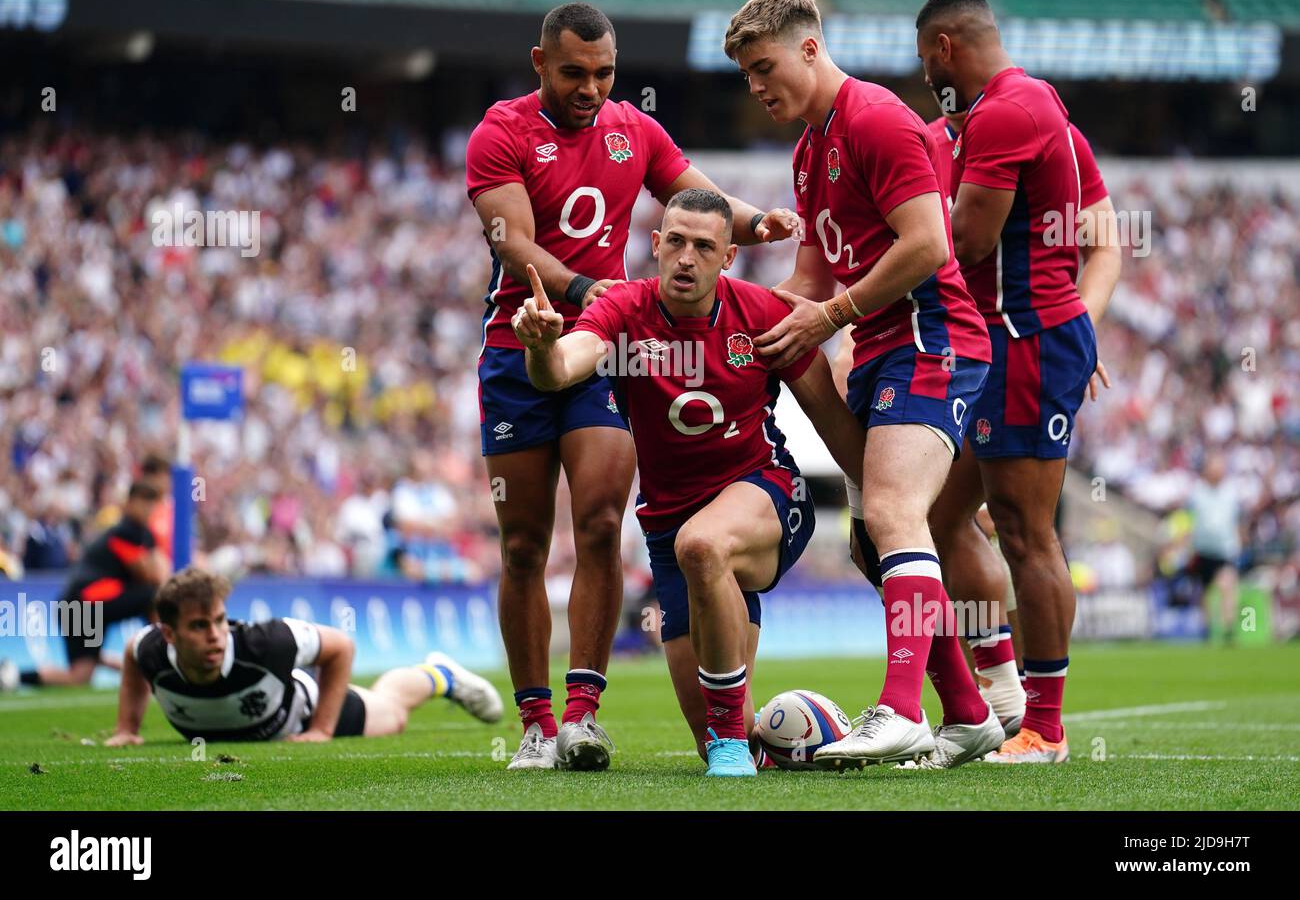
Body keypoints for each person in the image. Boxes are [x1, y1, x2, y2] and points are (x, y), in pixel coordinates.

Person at [466, 1, 799, 770]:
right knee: (521, 545)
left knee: (598, 521)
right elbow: (514, 242)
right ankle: (535, 722)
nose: (590, 87)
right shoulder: (501, 133)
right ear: (539, 62)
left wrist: (759, 226)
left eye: (605, 72)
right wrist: (593, 296)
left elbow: (702, 197)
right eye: (575, 72)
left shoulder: (632, 129)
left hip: (604, 352)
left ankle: (583, 713)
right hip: (518, 350)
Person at [723, 0, 1004, 769]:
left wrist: (828, 316)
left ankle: (903, 710)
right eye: (747, 74)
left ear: (810, 49)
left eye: (763, 66)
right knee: (868, 543)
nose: (756, 86)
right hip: (881, 349)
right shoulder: (811, 149)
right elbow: (811, 271)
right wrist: (744, 310)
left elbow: (928, 245)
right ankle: (973, 713)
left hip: (933, 338)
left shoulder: (877, 117)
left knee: (889, 511)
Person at [512, 188, 865, 776]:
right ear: (655, 245)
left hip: (768, 491)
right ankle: (793, 741)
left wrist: (882, 514)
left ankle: (730, 743)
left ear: (728, 257)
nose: (685, 258)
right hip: (669, 525)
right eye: (675, 242)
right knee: (731, 727)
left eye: (704, 246)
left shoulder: (765, 315)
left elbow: (833, 424)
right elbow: (561, 369)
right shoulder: (624, 311)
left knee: (704, 545)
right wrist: (542, 345)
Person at [915, 0, 1122, 763]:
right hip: (1002, 340)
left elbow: (965, 241)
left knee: (1027, 531)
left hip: (1023, 340)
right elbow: (1096, 235)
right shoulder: (1039, 108)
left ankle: (1046, 726)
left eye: (925, 61)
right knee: (936, 514)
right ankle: (998, 689)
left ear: (943, 48)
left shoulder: (1005, 113)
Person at [103, 568, 502, 745]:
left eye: (220, 621)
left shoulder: (265, 643)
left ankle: (439, 675)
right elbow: (132, 656)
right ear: (169, 633)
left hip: (303, 712)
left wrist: (322, 730)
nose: (215, 636)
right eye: (198, 627)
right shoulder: (149, 649)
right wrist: (126, 728)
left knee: (393, 714)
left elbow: (341, 646)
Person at [2, 482, 171, 689]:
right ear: (129, 502)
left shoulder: (144, 535)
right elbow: (151, 575)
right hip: (86, 604)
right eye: (144, 502)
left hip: (81, 606)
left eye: (152, 503)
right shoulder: (125, 532)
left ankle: (10, 676)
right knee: (154, 596)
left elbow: (159, 572)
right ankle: (165, 655)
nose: (148, 509)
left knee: (79, 676)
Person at [1184, 453, 1242, 641]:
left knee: (1227, 586)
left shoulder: (1231, 492)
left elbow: (1237, 520)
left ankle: (1228, 628)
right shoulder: (1197, 492)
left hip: (1226, 549)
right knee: (1205, 591)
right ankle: (1207, 628)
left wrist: (1240, 540)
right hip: (1202, 549)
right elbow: (1188, 520)